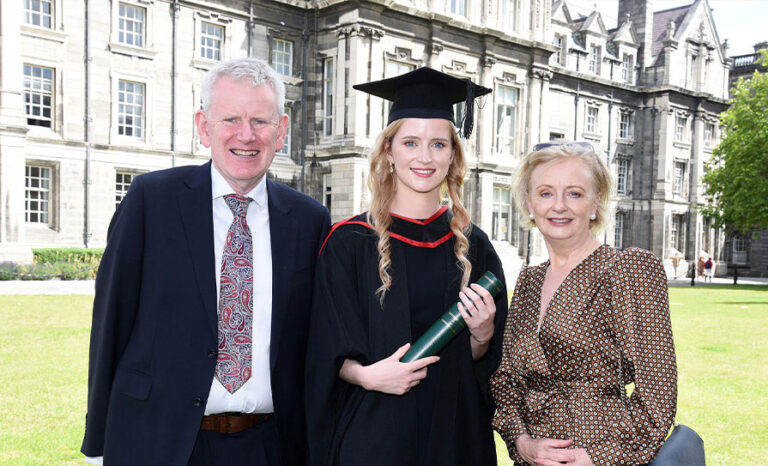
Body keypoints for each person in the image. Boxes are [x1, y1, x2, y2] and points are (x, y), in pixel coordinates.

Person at [80, 58, 331, 465]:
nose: (246, 135)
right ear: (203, 126)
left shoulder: (309, 220)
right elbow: (111, 322)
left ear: (281, 131)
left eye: (260, 121)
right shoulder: (151, 201)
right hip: (160, 441)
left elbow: (317, 341)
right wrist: (98, 444)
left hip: (270, 446)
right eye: (230, 119)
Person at [305, 67, 508, 466]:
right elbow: (323, 348)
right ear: (388, 151)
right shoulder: (350, 242)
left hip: (454, 436)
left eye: (438, 144)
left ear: (453, 156)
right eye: (410, 142)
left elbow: (488, 362)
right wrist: (367, 375)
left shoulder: (475, 247)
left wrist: (483, 336)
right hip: (376, 434)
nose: (424, 157)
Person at [491, 142, 677, 465]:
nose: (559, 206)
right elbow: (507, 380)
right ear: (529, 202)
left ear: (596, 202)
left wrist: (598, 457)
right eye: (546, 193)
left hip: (603, 456)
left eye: (574, 194)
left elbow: (658, 396)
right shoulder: (529, 282)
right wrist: (522, 443)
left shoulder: (629, 271)